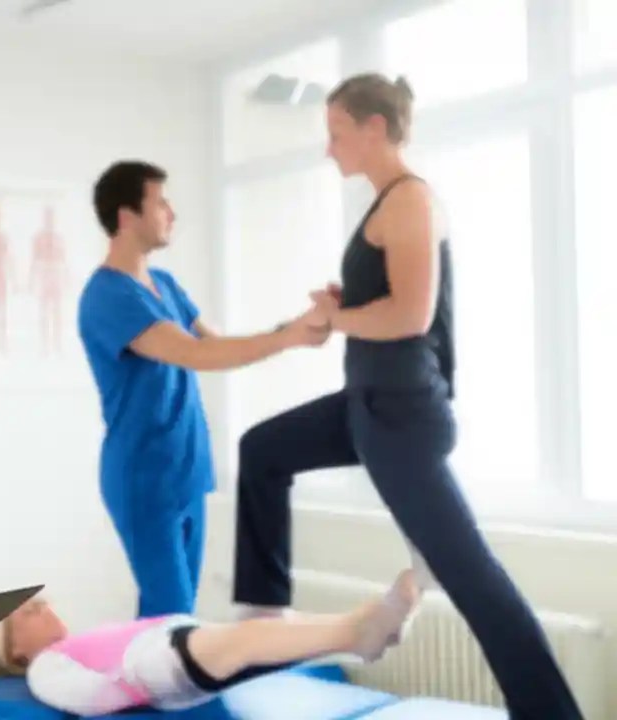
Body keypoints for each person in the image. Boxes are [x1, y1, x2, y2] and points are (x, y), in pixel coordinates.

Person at [230, 73, 583, 720]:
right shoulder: (383, 205)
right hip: (367, 405)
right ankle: (264, 616)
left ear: (374, 128)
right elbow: (385, 308)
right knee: (262, 449)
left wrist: (338, 319)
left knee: (472, 575)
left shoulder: (410, 200)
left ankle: (551, 714)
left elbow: (411, 318)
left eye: (336, 133)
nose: (328, 148)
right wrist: (342, 306)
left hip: (401, 416)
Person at [77, 161, 329, 620]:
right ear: (128, 216)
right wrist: (287, 338)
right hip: (143, 476)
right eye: (160, 203)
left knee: (171, 616)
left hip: (187, 469)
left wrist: (293, 327)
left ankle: (144, 687)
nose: (171, 213)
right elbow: (193, 354)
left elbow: (215, 345)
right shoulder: (107, 296)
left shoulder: (165, 284)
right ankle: (150, 688)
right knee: (172, 619)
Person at [0, 570, 419, 716]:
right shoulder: (44, 669)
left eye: (43, 602)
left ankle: (356, 634)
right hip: (152, 665)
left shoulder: (76, 642)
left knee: (260, 641)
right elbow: (85, 697)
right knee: (249, 640)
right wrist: (130, 689)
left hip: (168, 644)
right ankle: (356, 632)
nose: (46, 608)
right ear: (15, 652)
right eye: (30, 612)